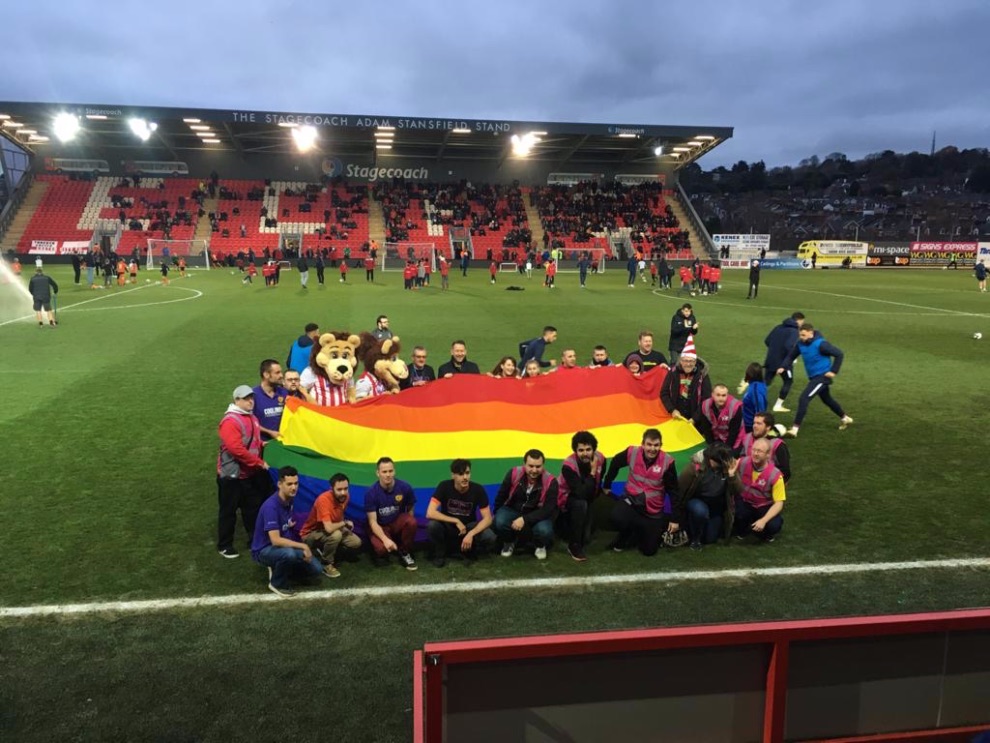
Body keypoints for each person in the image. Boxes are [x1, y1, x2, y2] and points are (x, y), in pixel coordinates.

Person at [251, 466, 332, 597]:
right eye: (289, 484)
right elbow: (275, 540)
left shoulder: (289, 499)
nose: (294, 487)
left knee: (316, 570)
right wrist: (303, 546)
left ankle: (279, 567)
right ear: (279, 484)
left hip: (282, 545)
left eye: (296, 483)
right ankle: (277, 583)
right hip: (264, 549)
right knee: (289, 554)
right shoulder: (271, 507)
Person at [602, 428, 681, 556]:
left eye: (656, 445)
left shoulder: (667, 462)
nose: (652, 449)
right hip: (631, 501)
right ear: (643, 444)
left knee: (649, 551)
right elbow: (615, 462)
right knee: (617, 517)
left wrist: (675, 519)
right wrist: (607, 484)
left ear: (661, 446)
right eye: (649, 444)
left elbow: (674, 491)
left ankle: (645, 530)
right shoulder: (632, 452)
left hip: (652, 509)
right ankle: (626, 534)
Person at [216, 385, 271, 558]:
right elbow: (236, 449)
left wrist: (262, 445)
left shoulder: (251, 417)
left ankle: (253, 539)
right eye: (246, 398)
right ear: (236, 400)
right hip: (231, 476)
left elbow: (252, 440)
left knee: (251, 509)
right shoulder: (230, 421)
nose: (250, 401)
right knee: (228, 511)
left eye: (251, 398)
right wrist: (259, 463)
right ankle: (224, 545)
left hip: (247, 474)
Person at [778, 323, 853, 437]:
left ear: (811, 333)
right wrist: (783, 366)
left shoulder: (821, 344)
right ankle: (845, 418)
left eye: (803, 335)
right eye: (800, 335)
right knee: (827, 399)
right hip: (814, 377)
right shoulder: (800, 344)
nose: (801, 338)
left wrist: (833, 371)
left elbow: (839, 354)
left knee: (804, 398)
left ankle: (794, 429)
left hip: (822, 377)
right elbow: (791, 356)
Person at [426, 458, 496, 567]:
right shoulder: (444, 486)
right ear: (453, 475)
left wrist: (471, 534)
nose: (465, 477)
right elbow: (430, 513)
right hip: (448, 527)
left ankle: (469, 551)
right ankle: (440, 553)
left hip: (467, 528)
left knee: (489, 535)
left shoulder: (478, 489)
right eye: (460, 474)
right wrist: (455, 520)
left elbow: (488, 519)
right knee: (432, 526)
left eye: (467, 473)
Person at [493, 449, 559, 560]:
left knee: (545, 531)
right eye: (531, 466)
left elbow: (548, 509)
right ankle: (509, 542)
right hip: (512, 510)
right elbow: (501, 495)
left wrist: (524, 519)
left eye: (538, 467)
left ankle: (540, 545)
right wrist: (496, 513)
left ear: (543, 465)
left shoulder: (551, 481)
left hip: (538, 514)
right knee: (499, 520)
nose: (534, 470)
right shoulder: (513, 473)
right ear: (524, 464)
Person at [299, 472, 362, 577]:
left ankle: (327, 548)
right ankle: (326, 563)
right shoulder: (323, 500)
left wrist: (343, 524)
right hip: (310, 534)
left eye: (346, 489)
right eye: (339, 489)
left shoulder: (345, 497)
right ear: (331, 489)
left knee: (356, 542)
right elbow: (328, 529)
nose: (343, 492)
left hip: (330, 529)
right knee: (336, 534)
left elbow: (338, 516)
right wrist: (344, 523)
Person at [557, 431, 606, 561]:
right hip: (567, 498)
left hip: (588, 495)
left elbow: (599, 479)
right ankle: (573, 545)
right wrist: (593, 471)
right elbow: (581, 493)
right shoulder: (568, 466)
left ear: (594, 449)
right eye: (581, 450)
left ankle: (574, 528)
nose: (585, 453)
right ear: (575, 451)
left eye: (588, 449)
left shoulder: (601, 458)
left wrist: (606, 485)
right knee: (581, 504)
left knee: (587, 538)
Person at [681, 442, 740, 550]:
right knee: (700, 512)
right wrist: (676, 518)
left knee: (710, 539)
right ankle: (695, 539)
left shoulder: (728, 466)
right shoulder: (694, 468)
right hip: (697, 501)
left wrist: (732, 476)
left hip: (715, 506)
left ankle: (701, 528)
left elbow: (738, 491)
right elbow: (680, 491)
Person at [364, 457, 418, 570]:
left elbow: (410, 508)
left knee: (411, 521)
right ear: (377, 473)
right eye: (384, 472)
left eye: (390, 471)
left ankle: (405, 552)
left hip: (395, 521)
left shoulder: (405, 487)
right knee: (381, 550)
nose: (388, 475)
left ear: (394, 471)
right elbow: (372, 522)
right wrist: (385, 540)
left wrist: (407, 532)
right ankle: (378, 548)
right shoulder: (371, 493)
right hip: (380, 526)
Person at [733, 438, 786, 542]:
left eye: (760, 451)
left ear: (768, 455)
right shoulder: (742, 462)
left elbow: (779, 503)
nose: (755, 454)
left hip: (763, 507)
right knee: (739, 514)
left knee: (773, 525)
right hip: (745, 502)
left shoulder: (775, 475)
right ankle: (744, 527)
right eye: (754, 450)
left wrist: (763, 520)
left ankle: (764, 531)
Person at [660, 335, 712, 421]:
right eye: (685, 361)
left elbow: (707, 399)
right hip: (676, 417)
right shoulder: (673, 372)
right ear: (680, 361)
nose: (688, 364)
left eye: (691, 361)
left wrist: (695, 418)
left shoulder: (703, 375)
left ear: (695, 362)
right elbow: (664, 393)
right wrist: (672, 410)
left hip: (697, 421)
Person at [763, 312, 805, 413]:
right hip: (783, 362)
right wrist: (792, 358)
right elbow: (789, 346)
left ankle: (754, 400)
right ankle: (778, 405)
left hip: (770, 359)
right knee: (788, 381)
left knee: (766, 382)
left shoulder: (778, 327)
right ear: (798, 320)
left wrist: (775, 350)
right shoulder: (794, 331)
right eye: (802, 322)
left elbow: (767, 341)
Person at [738, 411, 791, 482]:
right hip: (746, 483)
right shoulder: (747, 438)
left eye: (759, 423)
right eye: (754, 423)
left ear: (768, 427)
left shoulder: (778, 445)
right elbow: (740, 459)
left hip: (765, 486)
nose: (755, 426)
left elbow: (785, 472)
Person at [693, 384, 745, 451]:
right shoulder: (705, 406)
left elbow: (734, 432)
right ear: (712, 395)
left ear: (727, 395)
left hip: (735, 438)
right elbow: (706, 429)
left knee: (729, 456)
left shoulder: (735, 407)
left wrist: (725, 450)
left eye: (724, 395)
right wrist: (712, 446)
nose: (721, 398)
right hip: (718, 437)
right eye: (718, 395)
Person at [252, 359, 288, 441]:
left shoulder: (284, 392)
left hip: (283, 442)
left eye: (281, 372)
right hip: (263, 444)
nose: (281, 375)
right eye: (277, 372)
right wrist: (269, 432)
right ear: (266, 375)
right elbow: (249, 422)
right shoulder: (253, 395)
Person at [738, 363, 768, 432]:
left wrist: (758, 427)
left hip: (750, 425)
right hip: (748, 423)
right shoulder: (757, 384)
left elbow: (760, 410)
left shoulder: (756, 389)